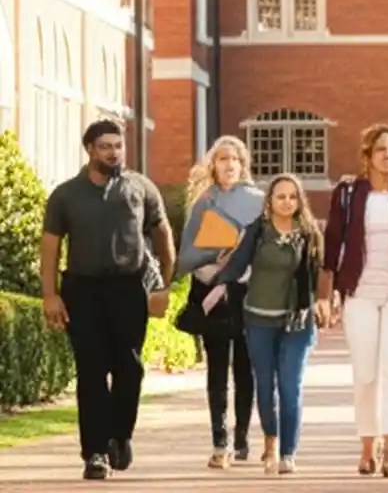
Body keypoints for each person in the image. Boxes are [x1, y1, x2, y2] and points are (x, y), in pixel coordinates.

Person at [40, 119, 176, 480]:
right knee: (91, 371)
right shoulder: (66, 195)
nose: (113, 153)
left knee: (130, 369)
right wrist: (50, 295)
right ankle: (95, 453)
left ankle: (120, 435)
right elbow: (50, 247)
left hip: (128, 289)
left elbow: (163, 236)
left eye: (118, 146)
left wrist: (164, 287)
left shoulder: (140, 188)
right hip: (82, 290)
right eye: (105, 147)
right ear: (90, 149)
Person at [318, 124, 388, 478]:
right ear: (367, 155)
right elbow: (332, 242)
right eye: (381, 149)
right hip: (360, 290)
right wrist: (325, 294)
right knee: (365, 373)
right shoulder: (348, 192)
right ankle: (368, 445)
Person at [210, 174, 324, 475]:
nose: (287, 202)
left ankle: (288, 452)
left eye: (292, 197)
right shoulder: (257, 231)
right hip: (259, 318)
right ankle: (270, 440)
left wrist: (325, 300)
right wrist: (220, 283)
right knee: (265, 385)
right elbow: (238, 263)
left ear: (300, 201)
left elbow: (320, 271)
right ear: (269, 201)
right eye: (280, 196)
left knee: (290, 385)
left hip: (296, 321)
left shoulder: (309, 233)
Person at [177, 136, 261, 468]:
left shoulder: (259, 201)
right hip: (210, 290)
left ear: (242, 165)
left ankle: (242, 437)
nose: (229, 165)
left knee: (245, 367)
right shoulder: (203, 202)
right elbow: (189, 251)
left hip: (245, 292)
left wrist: (238, 260)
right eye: (223, 159)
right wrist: (214, 259)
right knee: (216, 369)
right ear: (213, 165)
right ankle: (219, 440)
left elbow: (265, 247)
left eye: (235, 159)